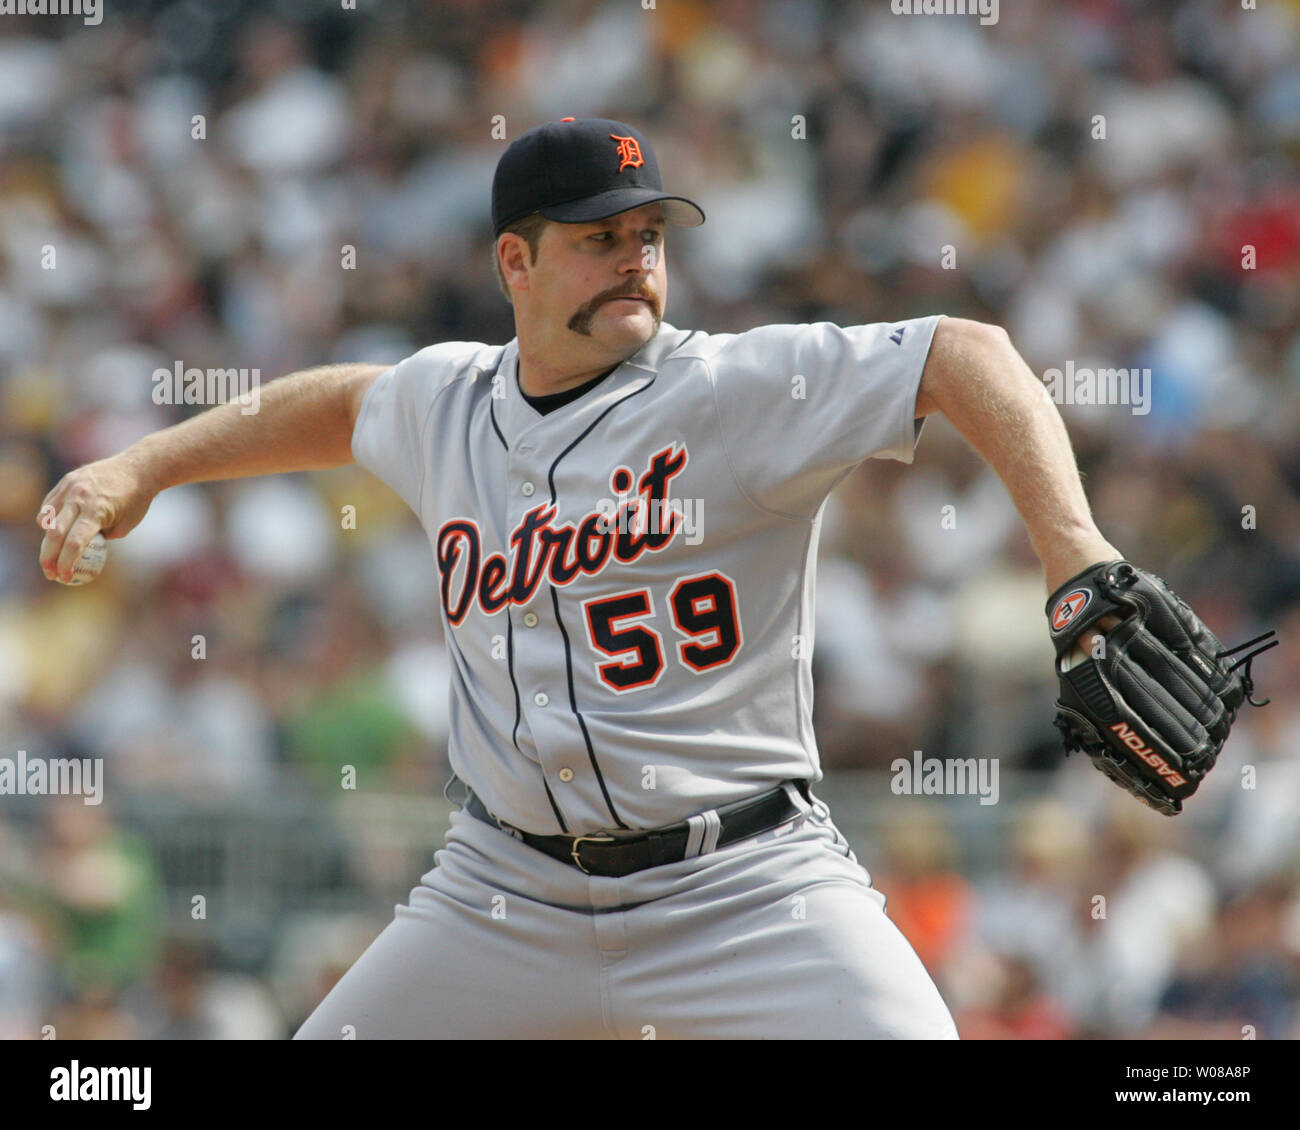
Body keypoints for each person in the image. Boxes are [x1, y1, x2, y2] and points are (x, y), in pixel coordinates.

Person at [39, 118, 1121, 1039]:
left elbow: (964, 351)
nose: (636, 260)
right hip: (503, 891)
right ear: (515, 263)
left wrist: (1073, 549)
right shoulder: (446, 401)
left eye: (648, 236)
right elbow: (334, 404)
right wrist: (147, 463)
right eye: (601, 238)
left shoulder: (733, 388)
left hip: (744, 884)